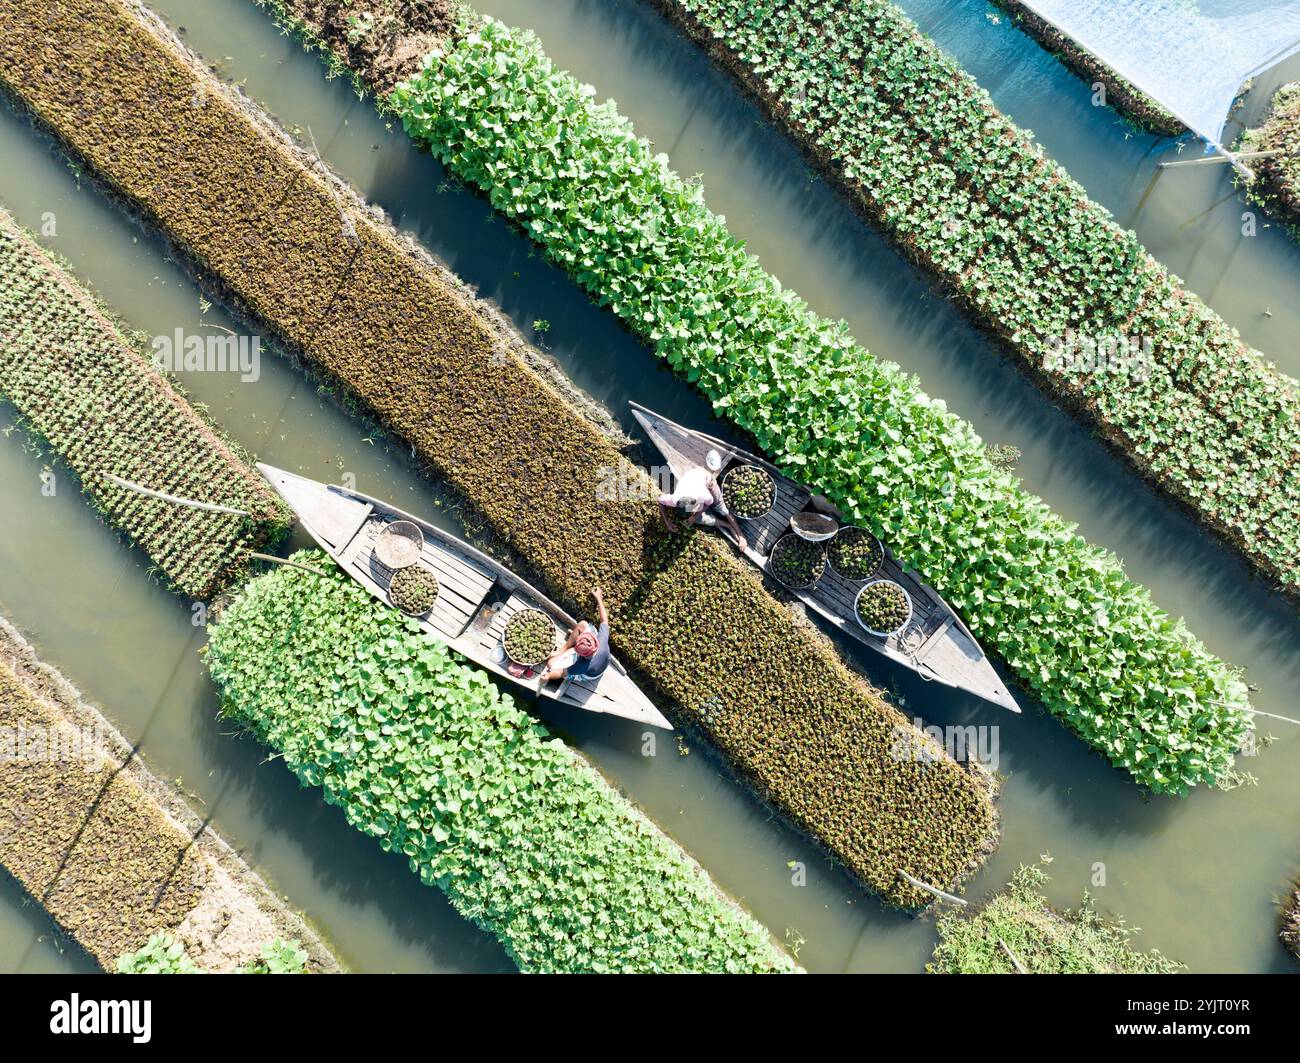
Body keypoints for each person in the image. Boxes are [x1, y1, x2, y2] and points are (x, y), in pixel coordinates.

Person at [657, 465, 747, 549]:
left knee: (721, 509)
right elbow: (660, 501)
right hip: (690, 477)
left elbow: (709, 503)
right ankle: (728, 526)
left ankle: (740, 533)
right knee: (697, 520)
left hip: (707, 481)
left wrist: (695, 516)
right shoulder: (673, 500)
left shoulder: (702, 495)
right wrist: (667, 521)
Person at [541, 586, 611, 685]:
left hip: (588, 674)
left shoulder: (580, 666)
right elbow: (604, 620)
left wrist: (548, 676)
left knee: (550, 664)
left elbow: (561, 673)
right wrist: (599, 597)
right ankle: (563, 650)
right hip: (599, 660)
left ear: (580, 654)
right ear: (595, 641)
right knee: (582, 624)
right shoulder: (602, 639)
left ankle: (569, 651)